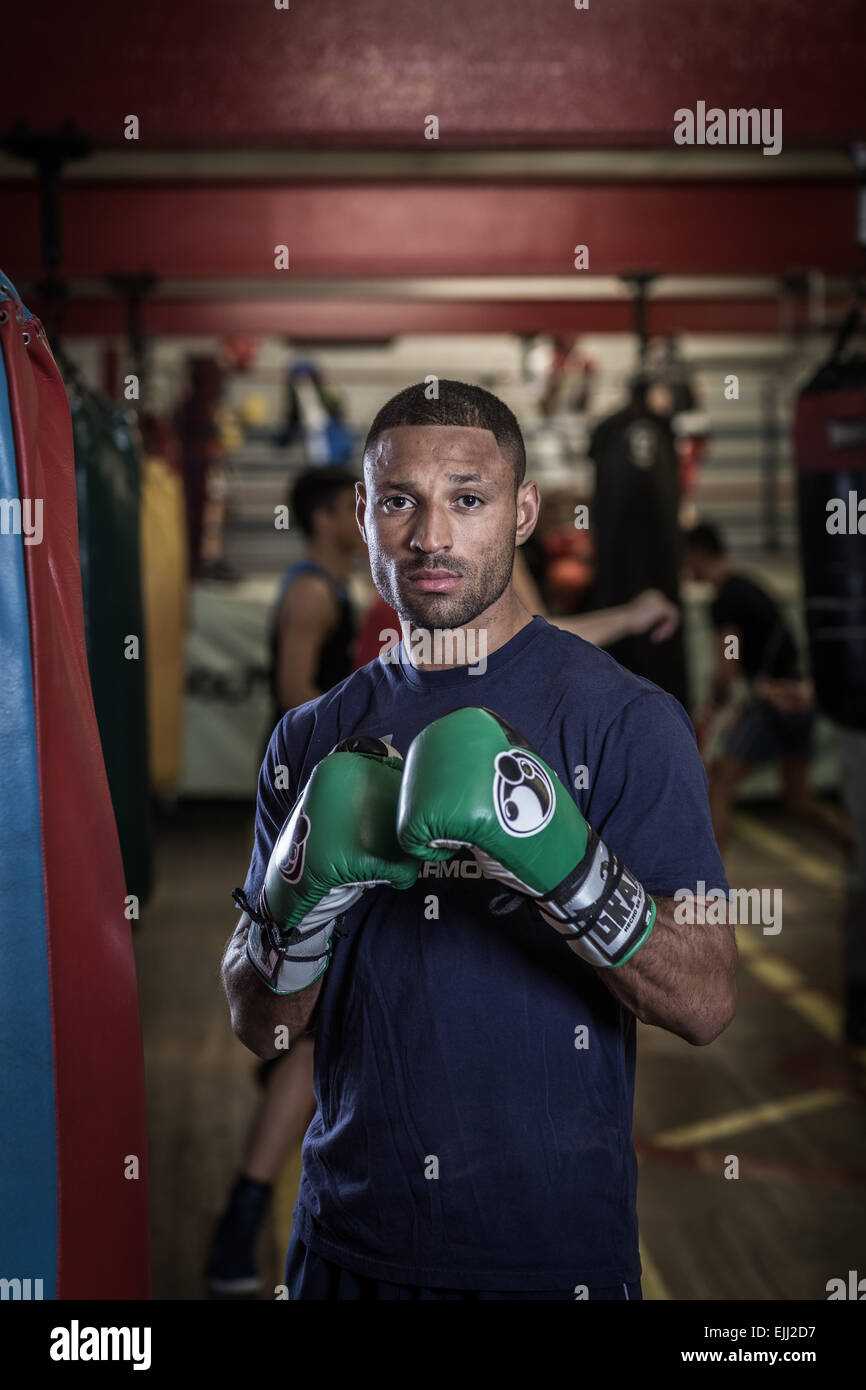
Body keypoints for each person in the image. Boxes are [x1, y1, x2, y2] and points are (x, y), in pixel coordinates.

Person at [223, 380, 735, 1300]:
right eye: (399, 502)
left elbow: (705, 1001)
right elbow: (260, 1026)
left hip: (552, 1257)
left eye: (467, 498)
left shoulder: (626, 721)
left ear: (522, 511)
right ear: (365, 518)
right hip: (347, 1246)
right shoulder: (309, 739)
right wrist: (299, 907)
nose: (430, 536)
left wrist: (571, 876)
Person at [206, 467, 365, 1296]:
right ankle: (242, 1219)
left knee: (310, 1035)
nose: (364, 518)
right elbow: (294, 698)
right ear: (323, 517)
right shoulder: (313, 595)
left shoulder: (343, 585)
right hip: (309, 821)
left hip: (321, 819)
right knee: (306, 1043)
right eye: (353, 507)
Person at [682, 521, 852, 854]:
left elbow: (727, 665)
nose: (685, 568)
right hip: (800, 703)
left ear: (697, 554)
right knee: (799, 800)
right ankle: (855, 847)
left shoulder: (726, 599)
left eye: (685, 559)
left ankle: (710, 891)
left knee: (720, 784)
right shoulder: (748, 585)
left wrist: (711, 708)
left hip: (774, 705)